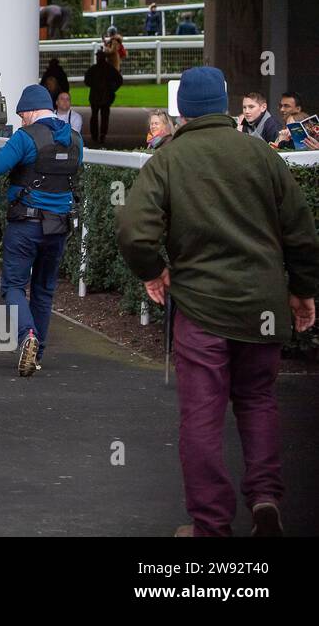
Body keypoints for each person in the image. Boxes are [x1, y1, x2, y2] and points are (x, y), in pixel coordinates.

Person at [116, 66, 318, 538]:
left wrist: (154, 270)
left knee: (202, 415)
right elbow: (301, 232)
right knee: (259, 401)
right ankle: (266, 500)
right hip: (262, 308)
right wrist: (302, 291)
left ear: (182, 109)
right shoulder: (262, 154)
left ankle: (210, 525)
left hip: (202, 309)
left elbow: (132, 231)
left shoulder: (169, 158)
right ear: (225, 104)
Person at [0, 85, 82, 376]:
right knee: (44, 290)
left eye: (23, 115)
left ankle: (27, 336)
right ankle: (38, 353)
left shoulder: (26, 136)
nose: (22, 121)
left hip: (26, 224)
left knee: (13, 286)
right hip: (58, 226)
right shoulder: (75, 138)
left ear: (32, 110)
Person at [82, 49, 122, 147]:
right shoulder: (110, 69)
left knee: (94, 116)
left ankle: (95, 135)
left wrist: (94, 85)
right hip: (106, 97)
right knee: (104, 116)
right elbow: (119, 80)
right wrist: (112, 89)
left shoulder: (93, 69)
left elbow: (87, 81)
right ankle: (102, 135)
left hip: (95, 97)